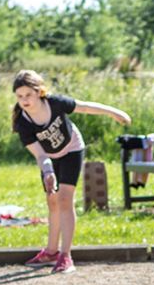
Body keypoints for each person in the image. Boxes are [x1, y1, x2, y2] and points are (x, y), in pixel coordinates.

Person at [10, 70, 130, 274]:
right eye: (20, 96)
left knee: (65, 199)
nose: (24, 100)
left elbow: (84, 106)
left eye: (28, 95)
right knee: (53, 201)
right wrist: (48, 172)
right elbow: (39, 155)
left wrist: (114, 112)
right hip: (49, 158)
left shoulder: (55, 102)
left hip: (72, 149)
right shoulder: (23, 123)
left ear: (39, 92)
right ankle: (51, 252)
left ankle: (66, 256)